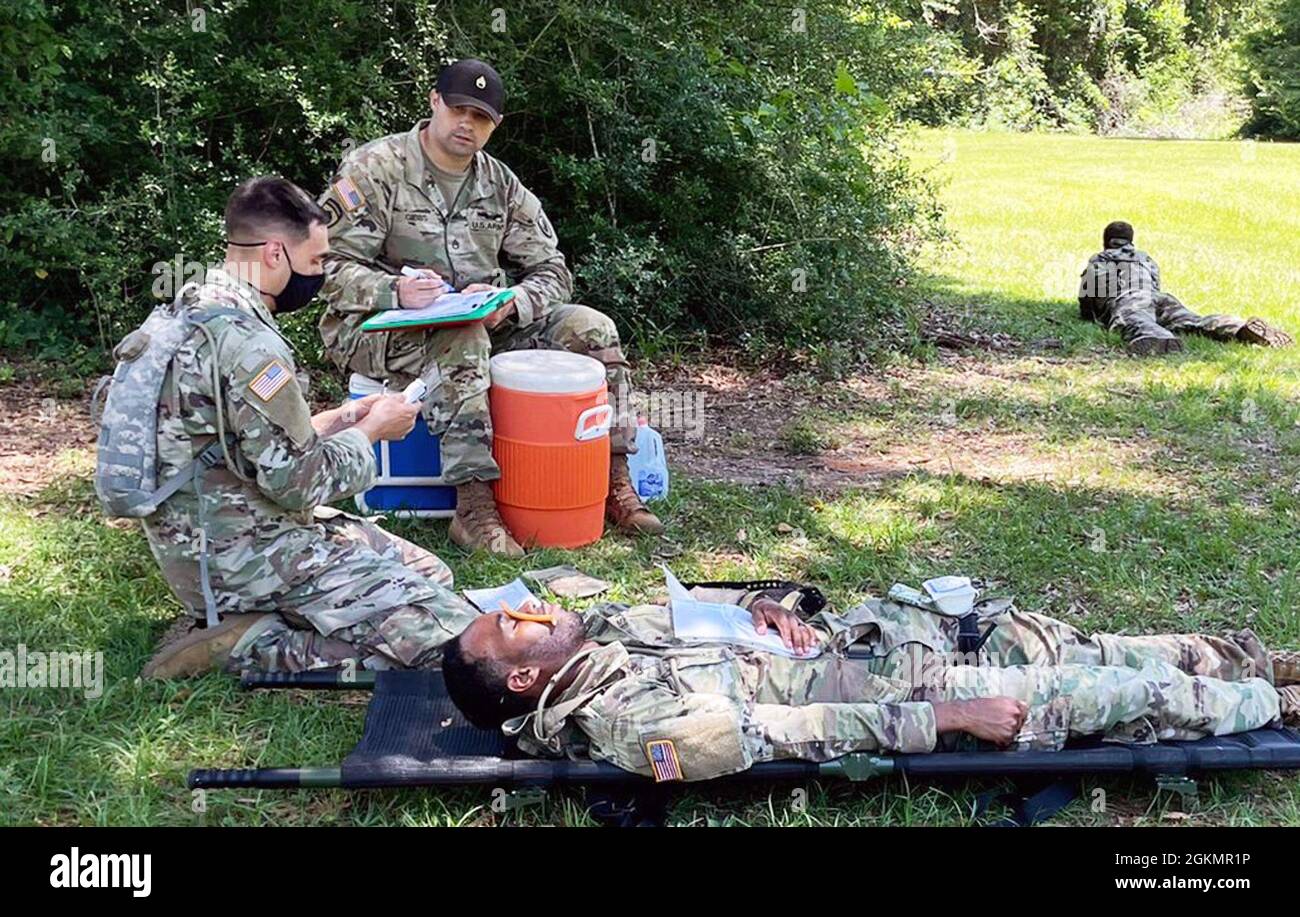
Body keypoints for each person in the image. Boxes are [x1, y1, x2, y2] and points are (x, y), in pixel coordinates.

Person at [106, 176, 480, 677]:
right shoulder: (249, 346)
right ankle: (251, 644)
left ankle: (256, 619)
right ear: (276, 253)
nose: (321, 274)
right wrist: (371, 433)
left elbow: (239, 445)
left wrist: (346, 418)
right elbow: (298, 483)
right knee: (444, 643)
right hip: (243, 556)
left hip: (203, 539)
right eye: (317, 261)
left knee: (432, 572)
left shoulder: (187, 313)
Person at [317, 58, 661, 557]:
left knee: (593, 328)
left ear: (494, 126)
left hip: (477, 323)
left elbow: (552, 269)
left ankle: (610, 479)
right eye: (458, 109)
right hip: (377, 329)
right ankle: (474, 508)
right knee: (463, 338)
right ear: (434, 102)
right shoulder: (376, 169)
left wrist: (512, 304)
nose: (466, 124)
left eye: (480, 118)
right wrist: (396, 291)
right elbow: (326, 267)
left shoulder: (499, 185)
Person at [441, 583, 1297, 782]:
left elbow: (695, 606)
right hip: (921, 692)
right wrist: (953, 716)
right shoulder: (634, 726)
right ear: (523, 677)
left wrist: (759, 602)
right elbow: (800, 732)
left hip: (887, 637)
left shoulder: (599, 634)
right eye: (515, 623)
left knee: (1094, 644)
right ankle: (1279, 703)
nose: (533, 609)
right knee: (1131, 696)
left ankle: (1263, 660)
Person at [1077, 220, 1291, 355]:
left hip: (1129, 300)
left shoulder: (1101, 259)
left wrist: (1088, 314)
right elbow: (1155, 282)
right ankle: (1238, 328)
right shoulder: (1144, 258)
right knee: (1192, 321)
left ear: (1106, 241)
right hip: (1159, 297)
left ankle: (1158, 339)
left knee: (1135, 321)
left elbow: (1089, 294)